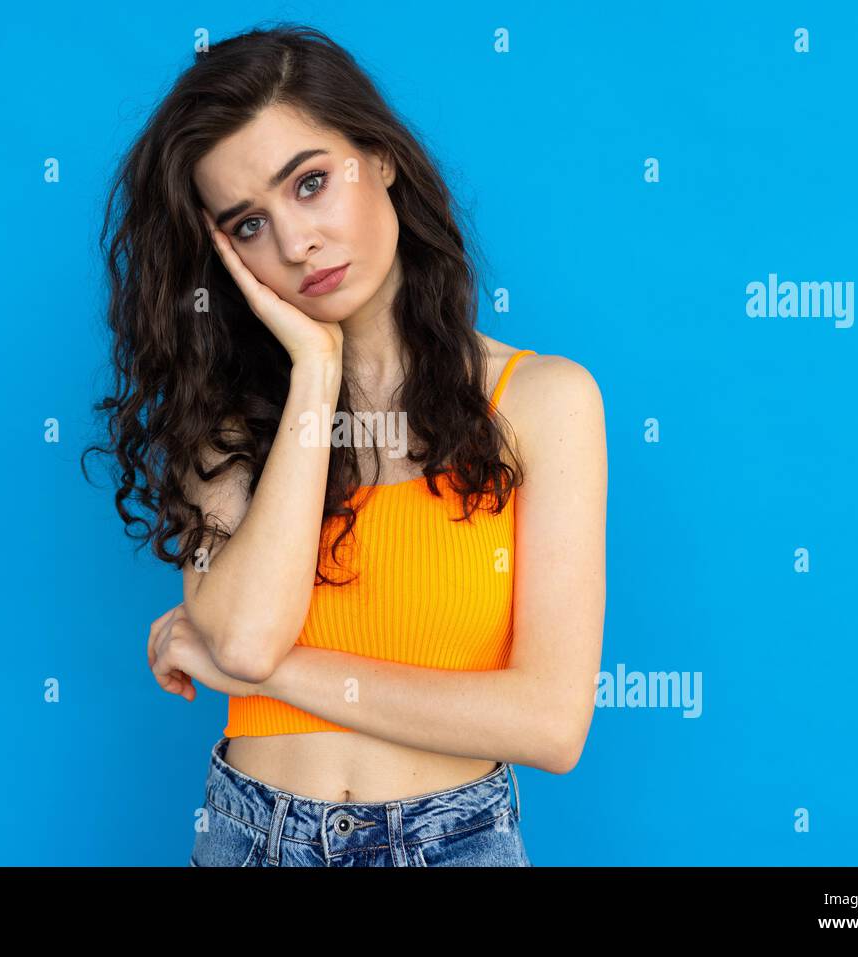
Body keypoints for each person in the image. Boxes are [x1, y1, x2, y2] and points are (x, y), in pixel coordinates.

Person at [85, 24, 607, 866]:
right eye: (248, 225)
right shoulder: (225, 425)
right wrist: (318, 368)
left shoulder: (545, 401)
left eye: (312, 183)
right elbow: (248, 637)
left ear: (383, 157)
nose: (296, 244)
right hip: (252, 838)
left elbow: (550, 723)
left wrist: (271, 679)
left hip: (456, 843)